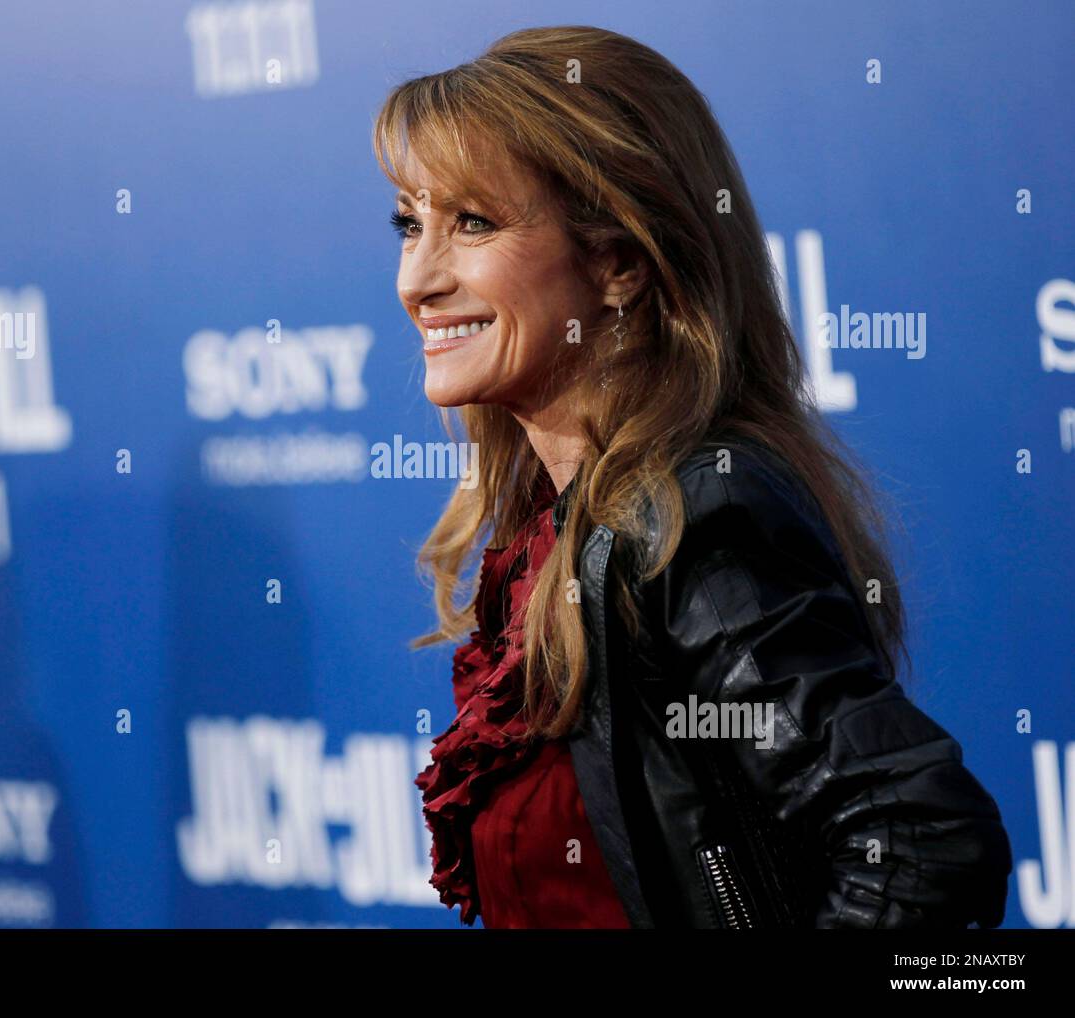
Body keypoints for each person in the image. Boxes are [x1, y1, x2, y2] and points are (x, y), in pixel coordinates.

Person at [374, 25, 1013, 928]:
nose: (418, 278)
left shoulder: (691, 513)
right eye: (410, 223)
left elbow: (918, 838)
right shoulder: (555, 538)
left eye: (472, 223)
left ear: (620, 264)